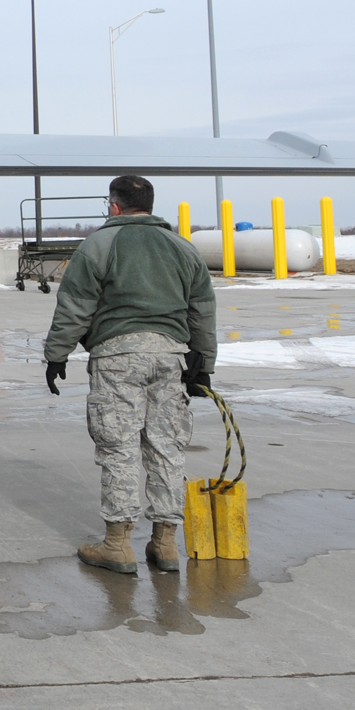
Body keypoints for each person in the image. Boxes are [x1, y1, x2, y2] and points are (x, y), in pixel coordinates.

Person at [43, 174, 216, 575]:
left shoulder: (98, 245)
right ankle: (166, 544)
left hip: (117, 356)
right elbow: (203, 311)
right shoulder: (182, 248)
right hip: (170, 357)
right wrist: (203, 365)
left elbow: (75, 306)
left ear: (114, 207)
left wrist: (57, 355)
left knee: (119, 448)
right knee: (166, 448)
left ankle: (118, 545)